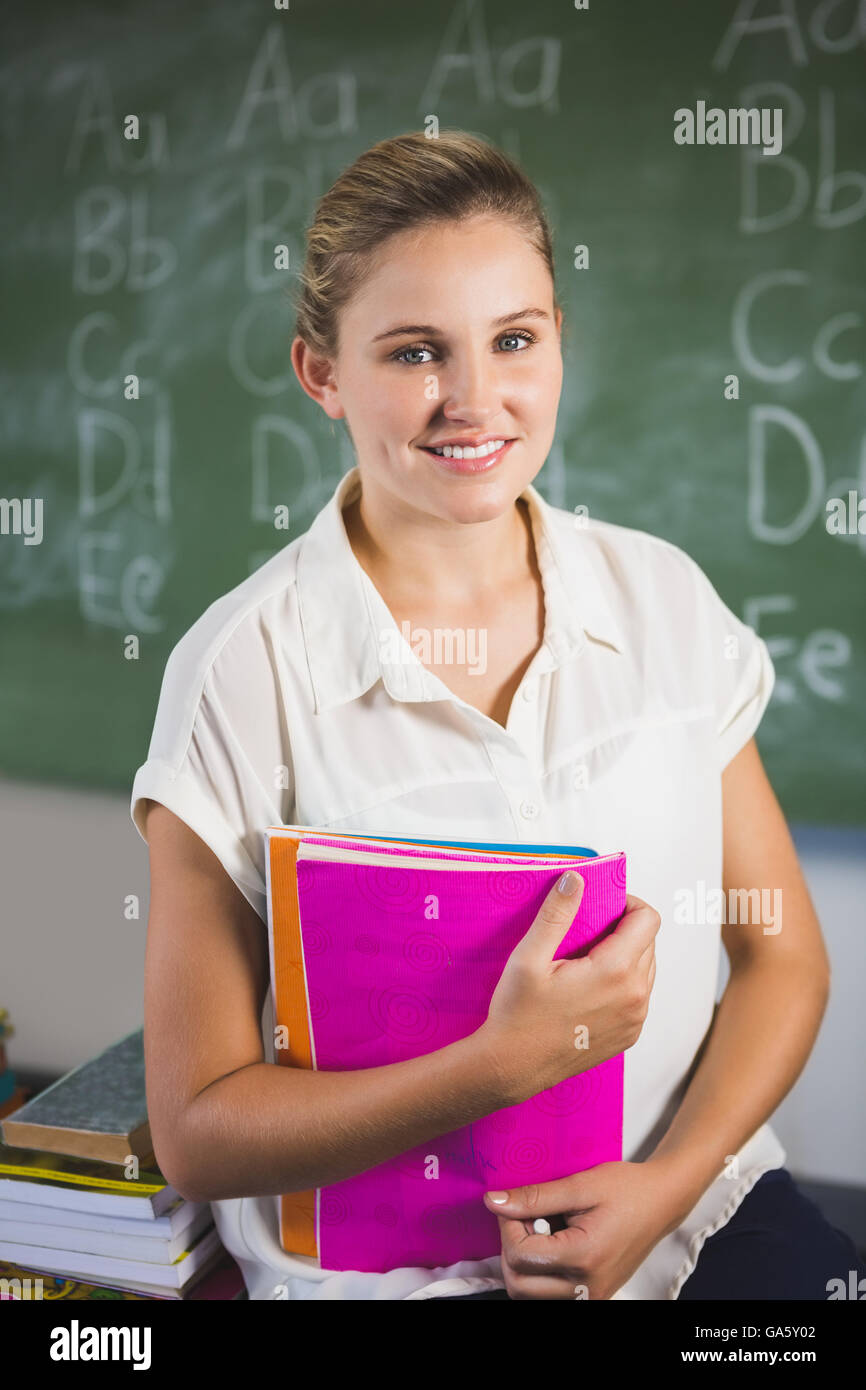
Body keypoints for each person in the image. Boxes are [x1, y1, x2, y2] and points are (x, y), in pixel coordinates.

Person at [131, 130, 855, 1301]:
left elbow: (781, 959)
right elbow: (200, 1131)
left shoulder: (662, 598)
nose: (475, 400)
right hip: (399, 1282)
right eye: (415, 352)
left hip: (688, 1211)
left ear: (558, 339)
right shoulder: (240, 671)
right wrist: (497, 1065)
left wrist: (662, 1191)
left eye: (513, 339)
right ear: (319, 373)